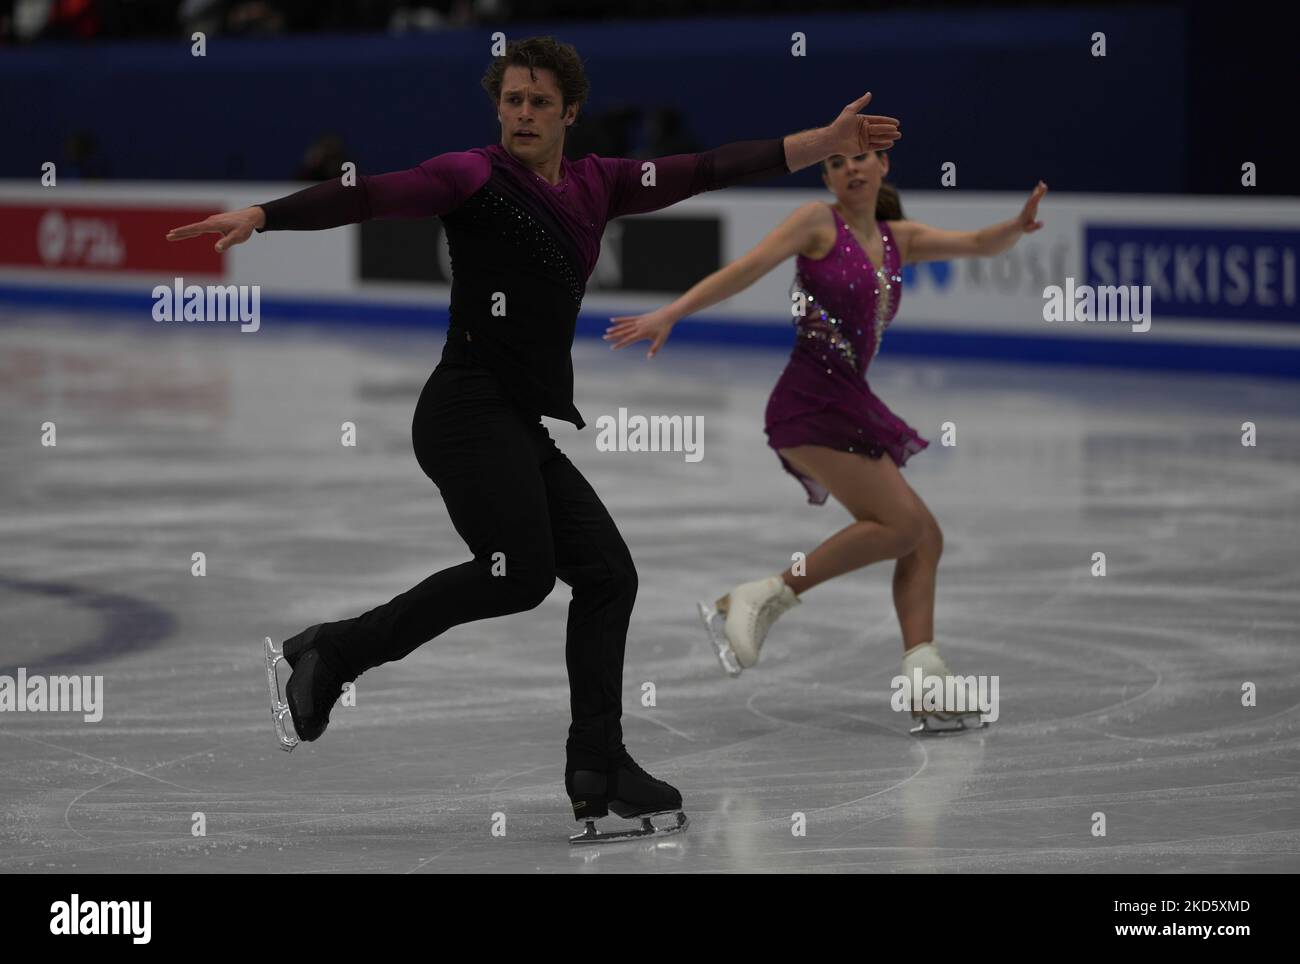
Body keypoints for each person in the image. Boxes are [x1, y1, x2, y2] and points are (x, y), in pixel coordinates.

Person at [166, 37, 902, 839]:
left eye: (539, 102)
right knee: (518, 574)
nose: (522, 114)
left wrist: (822, 144)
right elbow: (372, 195)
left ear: (569, 113)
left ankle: (599, 767)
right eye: (512, 99)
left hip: (514, 420)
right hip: (463, 410)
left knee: (608, 574)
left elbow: (710, 167)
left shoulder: (599, 185)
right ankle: (334, 654)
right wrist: (267, 216)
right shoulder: (473, 175)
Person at [605, 148, 1046, 734]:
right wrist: (675, 312)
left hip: (849, 402)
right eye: (837, 162)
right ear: (828, 176)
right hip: (808, 401)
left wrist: (1015, 227)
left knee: (924, 539)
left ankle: (925, 679)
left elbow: (977, 245)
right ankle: (761, 595)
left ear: (885, 166)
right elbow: (746, 269)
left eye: (862, 158)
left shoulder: (899, 239)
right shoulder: (817, 222)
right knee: (903, 527)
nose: (851, 170)